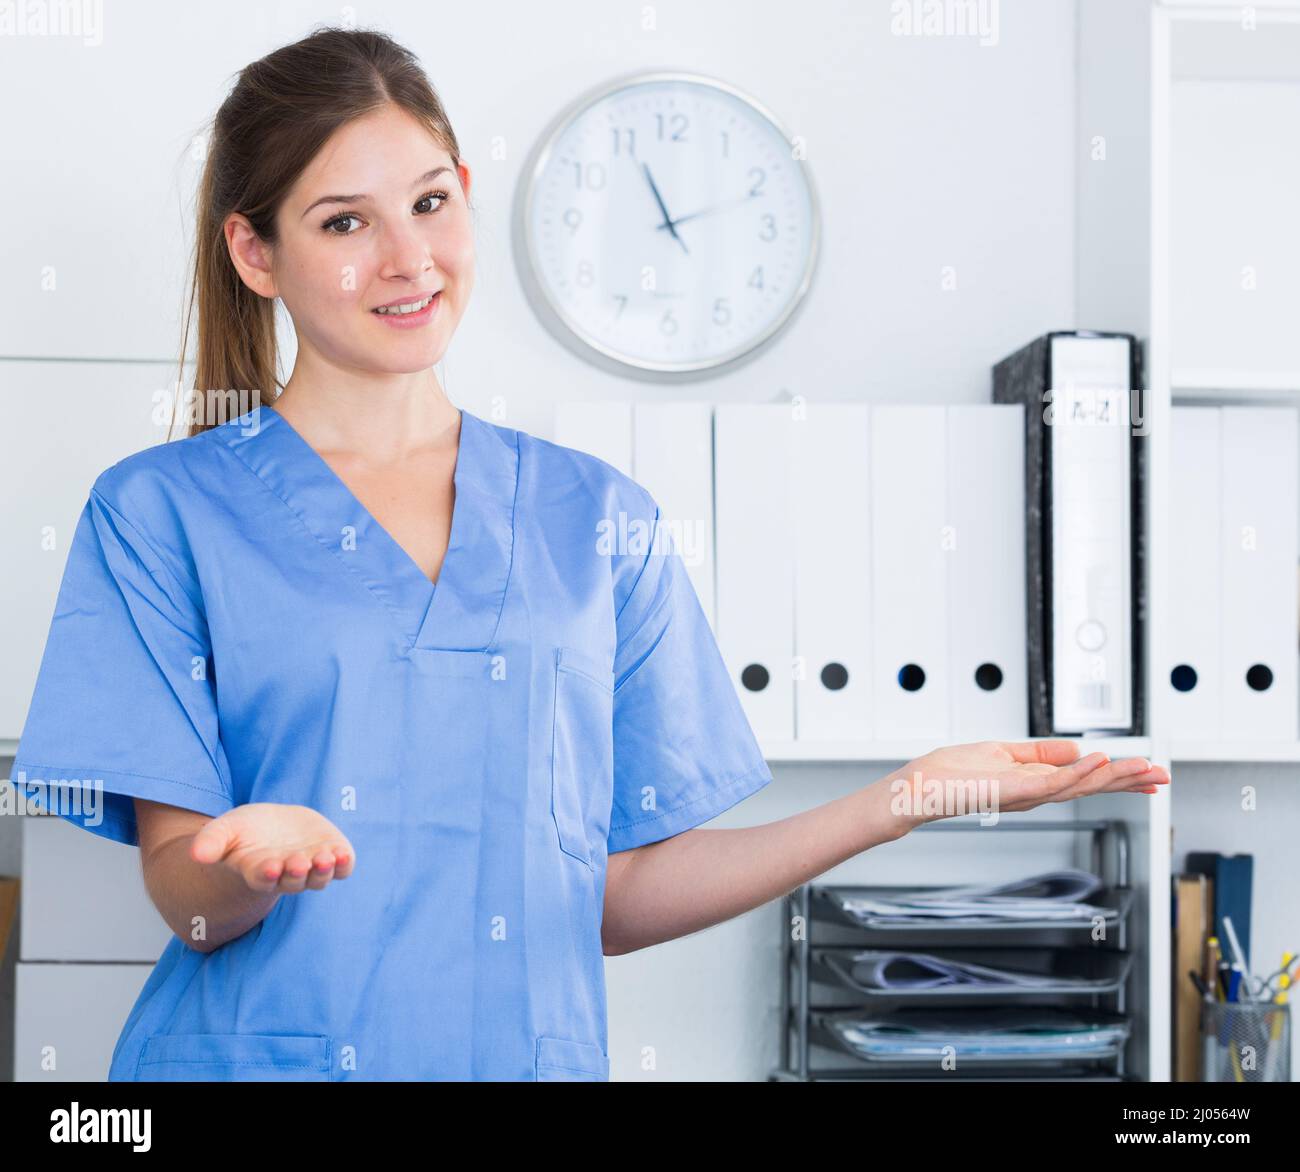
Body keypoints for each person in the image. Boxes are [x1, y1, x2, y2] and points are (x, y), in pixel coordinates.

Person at [8, 26, 1168, 1082]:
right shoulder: (160, 512)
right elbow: (187, 904)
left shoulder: (594, 517)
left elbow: (608, 894)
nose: (408, 259)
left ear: (466, 195)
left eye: (427, 203)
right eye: (344, 221)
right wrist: (240, 863)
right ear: (256, 253)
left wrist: (907, 797)